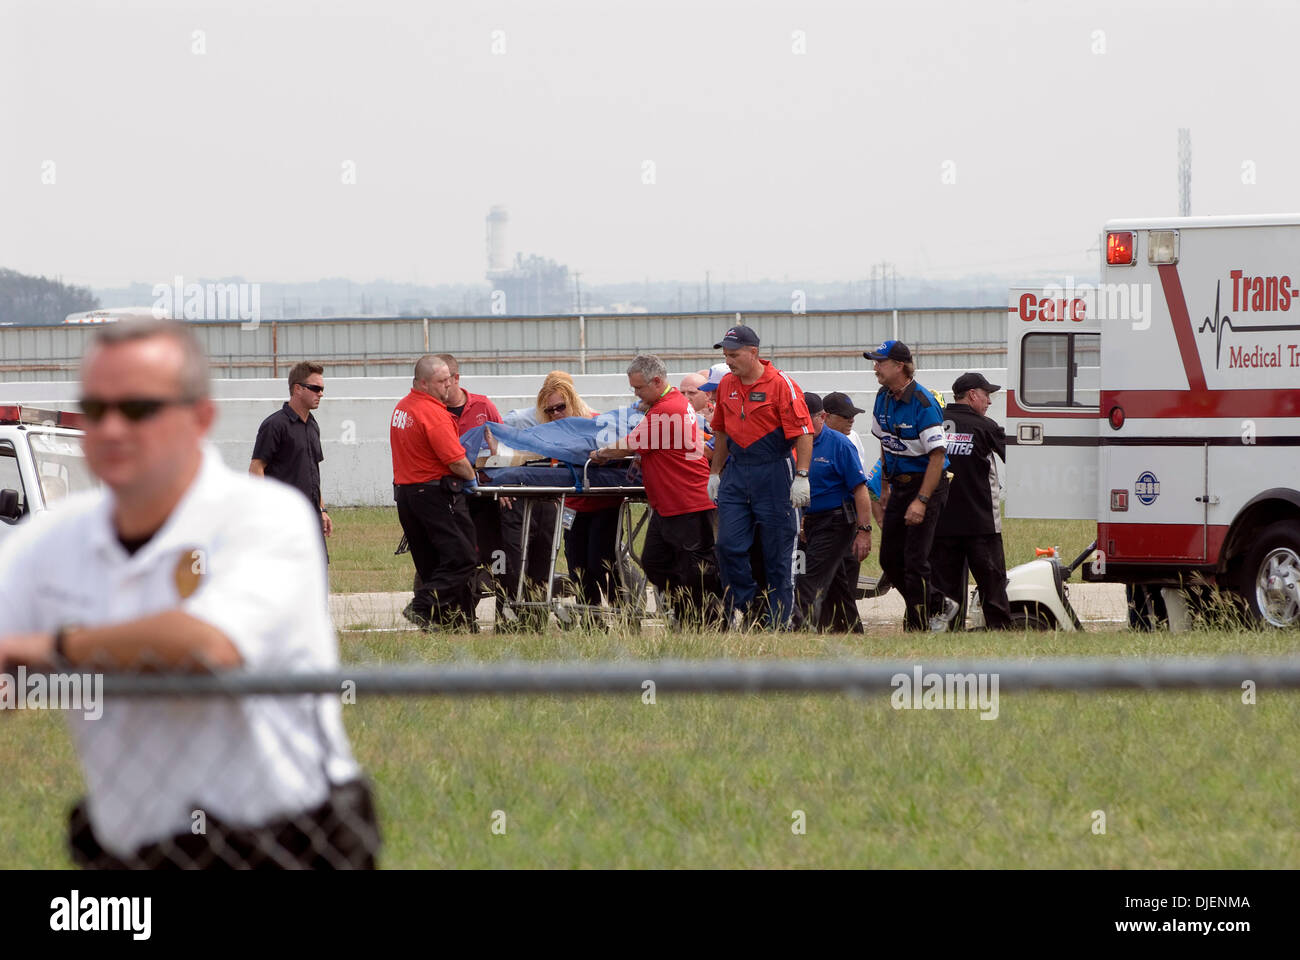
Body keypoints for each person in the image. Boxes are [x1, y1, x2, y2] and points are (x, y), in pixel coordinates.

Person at [0, 317, 376, 869]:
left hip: (285, 843)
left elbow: (208, 646)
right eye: (97, 409)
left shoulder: (267, 518)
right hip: (131, 849)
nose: (112, 429)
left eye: (139, 408)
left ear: (200, 417)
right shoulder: (49, 542)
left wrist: (52, 648)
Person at [592, 354, 721, 626]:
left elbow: (629, 444)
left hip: (688, 503)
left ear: (657, 382)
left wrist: (600, 453)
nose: (635, 393)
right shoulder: (669, 404)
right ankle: (686, 613)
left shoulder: (667, 410)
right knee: (654, 561)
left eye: (639, 387)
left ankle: (707, 620)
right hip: (669, 504)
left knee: (695, 570)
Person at [707, 324, 813, 629]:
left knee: (778, 552)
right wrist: (715, 473)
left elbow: (804, 432)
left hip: (774, 470)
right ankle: (749, 602)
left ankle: (778, 620)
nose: (729, 361)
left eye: (734, 355)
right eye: (726, 355)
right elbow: (721, 431)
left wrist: (802, 475)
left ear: (753, 352)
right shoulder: (726, 385)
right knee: (727, 545)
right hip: (737, 471)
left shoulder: (781, 384)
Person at [866, 339, 960, 633]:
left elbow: (937, 456)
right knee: (889, 559)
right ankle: (938, 604)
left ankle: (920, 626)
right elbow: (885, 443)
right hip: (898, 486)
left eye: (880, 362)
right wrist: (884, 487)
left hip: (926, 485)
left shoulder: (923, 403)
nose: (875, 367)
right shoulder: (882, 396)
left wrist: (921, 501)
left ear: (899, 366)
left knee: (915, 561)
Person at [390, 355, 479, 629]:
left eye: (449, 379)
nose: (448, 385)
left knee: (432, 562)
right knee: (463, 558)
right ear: (423, 384)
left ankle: (455, 622)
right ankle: (423, 606)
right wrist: (472, 477)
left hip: (407, 495)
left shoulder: (403, 408)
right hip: (434, 494)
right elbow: (456, 461)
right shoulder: (433, 413)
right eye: (441, 381)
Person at [930, 372, 1013, 630]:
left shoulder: (934, 424)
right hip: (981, 523)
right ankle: (1000, 631)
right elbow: (1016, 458)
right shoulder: (985, 426)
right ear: (972, 395)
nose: (989, 401)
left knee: (947, 590)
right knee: (993, 584)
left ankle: (948, 634)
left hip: (941, 523)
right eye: (987, 395)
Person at [536, 374, 621, 612]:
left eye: (560, 407)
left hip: (603, 505)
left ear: (572, 401)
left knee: (601, 563)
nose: (556, 413)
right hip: (572, 508)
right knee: (576, 567)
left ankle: (623, 613)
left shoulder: (598, 423)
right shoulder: (551, 433)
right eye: (550, 410)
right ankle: (590, 620)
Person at [795, 393, 872, 632]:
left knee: (808, 579)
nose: (803, 425)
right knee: (838, 585)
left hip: (835, 521)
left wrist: (864, 531)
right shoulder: (793, 443)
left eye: (808, 419)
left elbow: (860, 489)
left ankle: (798, 630)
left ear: (822, 417)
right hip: (808, 522)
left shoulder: (840, 444)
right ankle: (851, 630)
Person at [249, 360, 331, 549]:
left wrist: (322, 509)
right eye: (315, 388)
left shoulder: (312, 425)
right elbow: (256, 468)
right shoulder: (274, 425)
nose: (321, 394)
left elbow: (313, 474)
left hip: (311, 518)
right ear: (297, 389)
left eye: (322, 389)